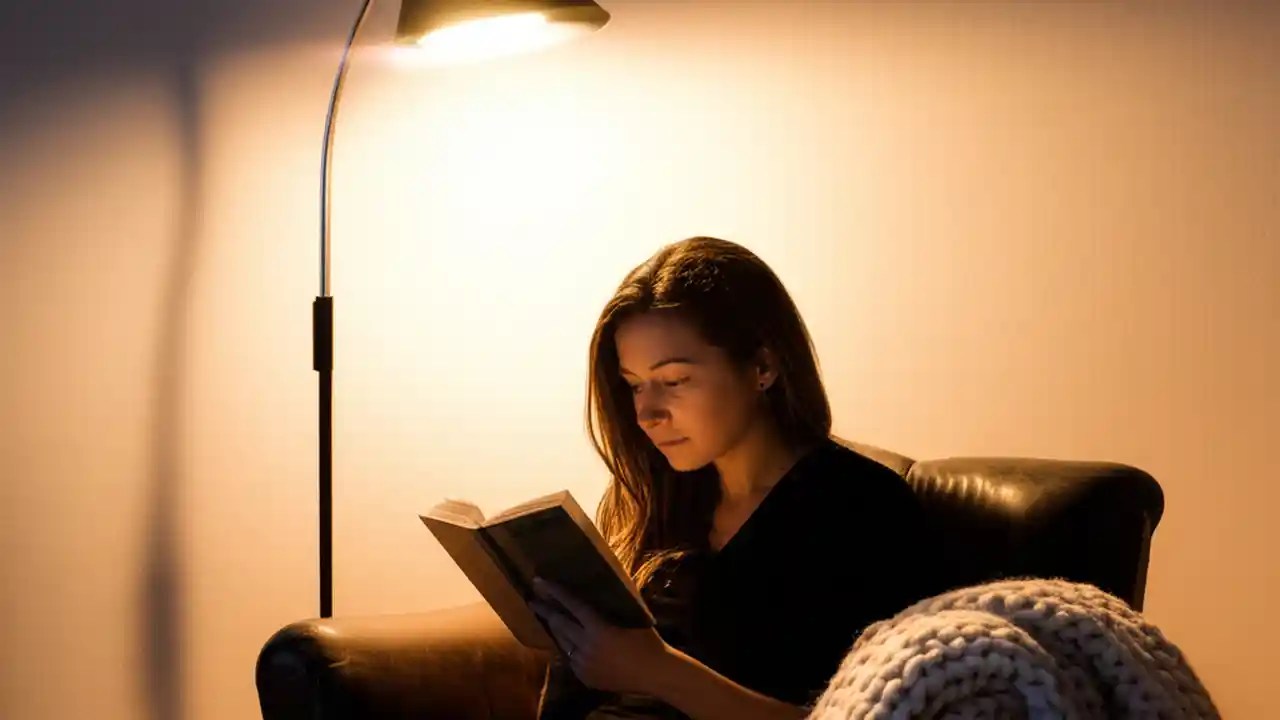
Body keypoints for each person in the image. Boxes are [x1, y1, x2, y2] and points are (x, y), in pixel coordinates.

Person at [531, 237, 937, 720]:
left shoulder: (861, 509)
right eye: (634, 385)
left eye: (675, 380)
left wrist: (659, 670)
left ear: (762, 367)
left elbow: (874, 713)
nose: (646, 414)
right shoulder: (658, 496)